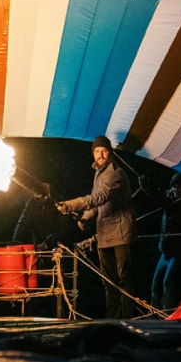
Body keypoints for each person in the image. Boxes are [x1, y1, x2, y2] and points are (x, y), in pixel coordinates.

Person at [57, 135, 135, 319]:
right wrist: (85, 218)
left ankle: (128, 319)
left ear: (110, 153)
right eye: (97, 151)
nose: (100, 155)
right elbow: (97, 206)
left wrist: (71, 204)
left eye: (104, 151)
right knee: (108, 281)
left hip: (121, 232)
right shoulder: (98, 174)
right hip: (104, 233)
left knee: (124, 278)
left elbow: (99, 197)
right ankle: (113, 319)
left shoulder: (115, 173)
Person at [149, 172, 181, 311]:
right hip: (165, 251)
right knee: (156, 284)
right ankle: (153, 314)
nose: (176, 190)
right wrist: (150, 188)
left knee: (169, 283)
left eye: (180, 187)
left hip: (179, 252)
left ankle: (167, 313)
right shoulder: (169, 199)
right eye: (174, 187)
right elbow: (161, 200)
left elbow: (172, 205)